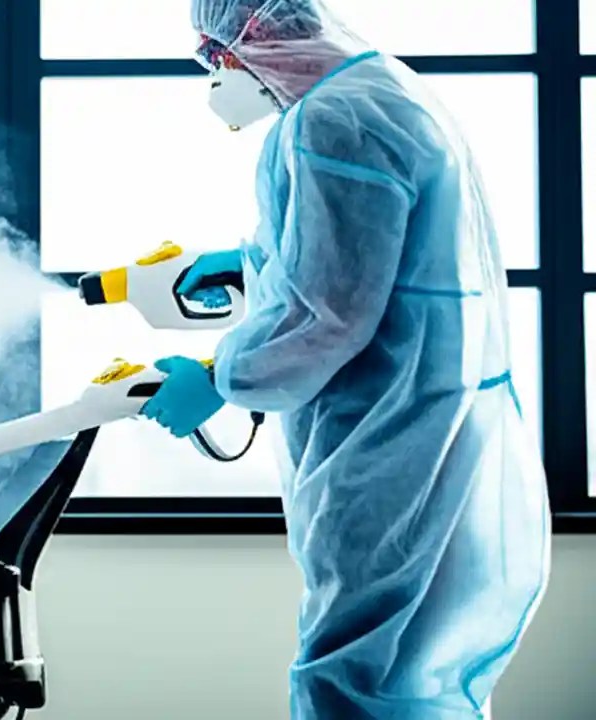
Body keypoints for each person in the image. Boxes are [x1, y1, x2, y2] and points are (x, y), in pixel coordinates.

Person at [138, 1, 552, 717]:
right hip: (438, 425)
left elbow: (327, 313)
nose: (214, 78)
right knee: (412, 682)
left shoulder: (329, 123)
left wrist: (218, 380)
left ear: (255, 36)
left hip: (388, 442)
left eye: (215, 56)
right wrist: (250, 263)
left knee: (352, 682)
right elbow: (372, 259)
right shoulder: (386, 93)